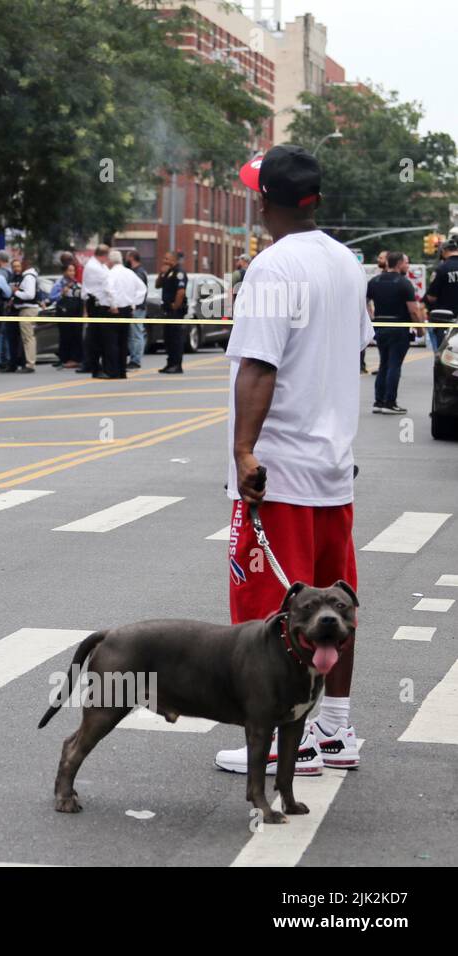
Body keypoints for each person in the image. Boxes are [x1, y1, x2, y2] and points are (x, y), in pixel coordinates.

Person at [215, 144, 373, 778]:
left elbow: (259, 363)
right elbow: (356, 349)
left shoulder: (273, 267)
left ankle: (289, 740)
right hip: (333, 469)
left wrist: (244, 450)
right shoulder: (346, 262)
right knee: (336, 605)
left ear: (262, 202)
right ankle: (334, 729)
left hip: (277, 472)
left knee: (271, 613)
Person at [367, 252, 423, 414]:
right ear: (398, 264)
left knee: (384, 363)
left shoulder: (374, 281)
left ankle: (378, 401)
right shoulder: (404, 283)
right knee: (394, 365)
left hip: (380, 327)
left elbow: (364, 302)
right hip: (399, 327)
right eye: (406, 262)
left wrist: (371, 318)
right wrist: (419, 329)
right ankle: (389, 403)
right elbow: (413, 310)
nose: (408, 265)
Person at [104, 250, 144, 380]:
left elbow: (108, 290)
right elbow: (142, 289)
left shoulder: (111, 274)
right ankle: (122, 371)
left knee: (112, 342)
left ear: (110, 261)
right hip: (127, 310)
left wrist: (113, 305)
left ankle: (113, 371)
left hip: (115, 311)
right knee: (123, 341)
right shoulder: (130, 273)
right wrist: (133, 303)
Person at [80, 244, 112, 375]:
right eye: (107, 256)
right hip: (96, 304)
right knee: (97, 337)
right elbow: (108, 284)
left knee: (98, 336)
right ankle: (94, 366)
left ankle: (95, 365)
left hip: (98, 303)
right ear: (103, 255)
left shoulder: (100, 265)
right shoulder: (94, 267)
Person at [155, 251, 188, 374]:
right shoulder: (168, 272)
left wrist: (175, 307)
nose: (164, 260)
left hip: (175, 311)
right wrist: (161, 273)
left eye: (166, 258)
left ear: (173, 260)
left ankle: (177, 365)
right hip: (167, 310)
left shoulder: (179, 272)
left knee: (175, 338)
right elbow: (158, 285)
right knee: (168, 338)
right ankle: (170, 364)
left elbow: (181, 292)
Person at [424, 238, 458, 353]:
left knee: (443, 357)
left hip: (445, 322)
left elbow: (431, 297)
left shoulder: (441, 269)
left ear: (443, 251)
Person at [49, 259, 84, 368]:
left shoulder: (77, 284)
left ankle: (76, 358)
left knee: (76, 336)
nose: (72, 273)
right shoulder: (59, 284)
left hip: (76, 312)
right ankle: (64, 358)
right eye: (69, 271)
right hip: (64, 312)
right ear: (64, 272)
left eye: (73, 271)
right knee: (65, 336)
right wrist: (61, 293)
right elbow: (51, 297)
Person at [12, 254, 41, 373]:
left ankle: (30, 364)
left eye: (22, 263)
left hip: (27, 310)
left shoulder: (28, 277)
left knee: (28, 337)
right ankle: (29, 362)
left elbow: (30, 295)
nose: (20, 266)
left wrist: (16, 292)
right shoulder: (30, 276)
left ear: (26, 264)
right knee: (28, 337)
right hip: (28, 309)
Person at [126, 251, 149, 369]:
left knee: (136, 334)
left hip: (137, 307)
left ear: (131, 258)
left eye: (127, 257)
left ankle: (136, 360)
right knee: (134, 334)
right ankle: (134, 358)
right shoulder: (138, 271)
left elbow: (138, 291)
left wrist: (133, 305)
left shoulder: (138, 273)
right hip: (137, 307)